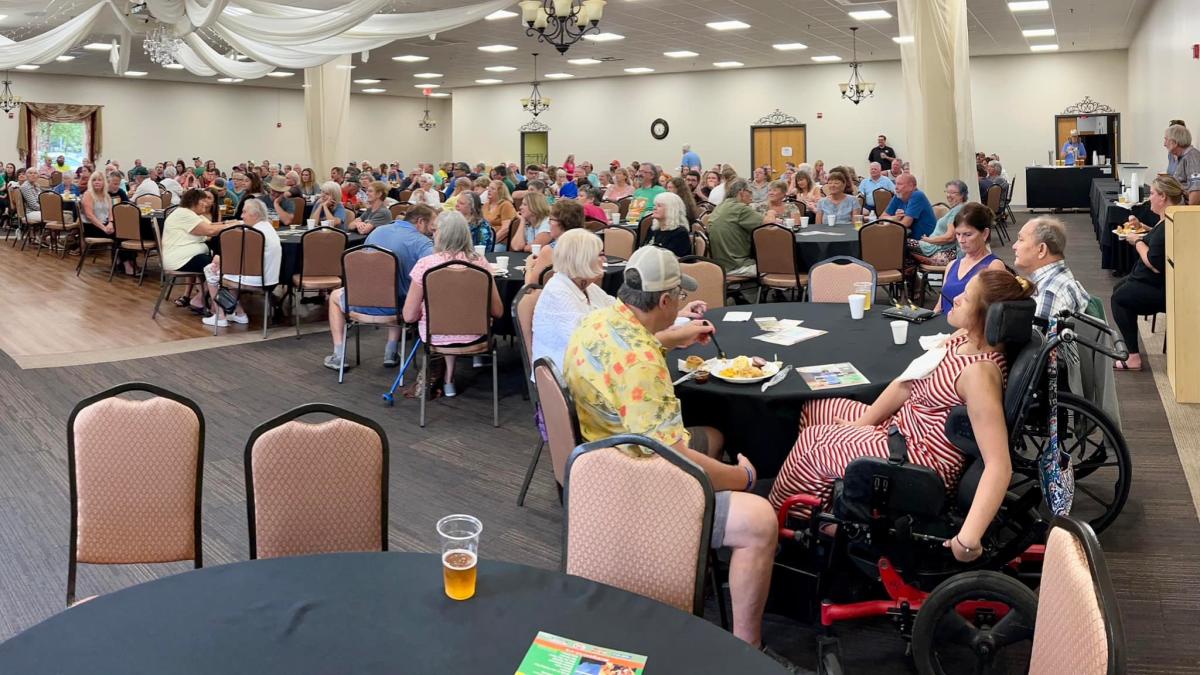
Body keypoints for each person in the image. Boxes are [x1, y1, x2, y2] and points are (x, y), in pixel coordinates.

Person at [563, 246, 794, 664]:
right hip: (639, 486)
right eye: (679, 299)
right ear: (665, 301)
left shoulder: (598, 321)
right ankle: (749, 652)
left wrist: (675, 336)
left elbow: (632, 345)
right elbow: (675, 459)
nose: (683, 306)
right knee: (759, 518)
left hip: (595, 468)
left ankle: (696, 566)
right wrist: (739, 478)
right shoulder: (643, 364)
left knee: (713, 435)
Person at [770, 269, 1035, 565]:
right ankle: (830, 506)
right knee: (817, 407)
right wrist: (861, 425)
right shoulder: (964, 339)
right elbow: (906, 382)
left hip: (920, 459)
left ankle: (783, 526)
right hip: (903, 429)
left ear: (987, 318)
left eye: (967, 297)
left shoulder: (979, 375)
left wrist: (968, 538)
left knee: (813, 442)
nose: (956, 298)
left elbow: (999, 465)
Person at [323, 204, 437, 370]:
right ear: (420, 221)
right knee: (403, 291)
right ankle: (390, 352)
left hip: (360, 303)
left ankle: (338, 355)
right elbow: (433, 272)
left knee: (335, 296)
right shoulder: (424, 244)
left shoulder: (377, 232)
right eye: (432, 225)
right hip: (397, 309)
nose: (433, 229)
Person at [402, 211, 503, 398]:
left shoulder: (426, 265)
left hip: (435, 337)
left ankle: (448, 380)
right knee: (456, 318)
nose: (433, 234)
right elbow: (497, 311)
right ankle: (448, 380)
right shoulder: (481, 264)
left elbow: (409, 315)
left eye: (435, 230)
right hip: (476, 336)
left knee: (445, 319)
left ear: (441, 234)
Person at [1110, 176, 1184, 371]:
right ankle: (1131, 348)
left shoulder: (1169, 222)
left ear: (1163, 197)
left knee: (1119, 298)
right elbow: (1158, 238)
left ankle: (1133, 358)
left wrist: (1137, 241)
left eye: (1152, 194)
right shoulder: (1170, 217)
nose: (1149, 198)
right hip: (1156, 281)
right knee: (1119, 287)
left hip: (1161, 287)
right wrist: (1143, 229)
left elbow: (1154, 263)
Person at [202, 198, 282, 327]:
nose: (241, 215)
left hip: (254, 279)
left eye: (244, 212)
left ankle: (220, 315)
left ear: (255, 215)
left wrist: (220, 259)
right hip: (270, 279)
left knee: (211, 269)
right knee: (227, 274)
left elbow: (240, 259)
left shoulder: (253, 234)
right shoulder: (267, 228)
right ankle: (239, 313)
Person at [162, 189, 238, 313]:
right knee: (220, 266)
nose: (206, 204)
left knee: (218, 264)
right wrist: (233, 225)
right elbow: (209, 231)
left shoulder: (191, 214)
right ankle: (216, 306)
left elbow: (211, 226)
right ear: (194, 202)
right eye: (203, 200)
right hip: (180, 259)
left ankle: (201, 299)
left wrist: (227, 222)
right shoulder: (184, 214)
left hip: (187, 256)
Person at [1011, 216, 1089, 324]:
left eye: (1021, 239)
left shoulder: (1049, 293)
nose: (1014, 246)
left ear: (1042, 250)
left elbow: (1039, 340)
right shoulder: (1060, 277)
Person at [938, 203, 1007, 313]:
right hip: (944, 325)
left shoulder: (993, 266)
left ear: (984, 234)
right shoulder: (952, 265)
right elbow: (939, 306)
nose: (961, 240)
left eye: (968, 234)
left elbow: (994, 314)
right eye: (958, 234)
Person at [524, 199, 585, 284]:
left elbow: (531, 286)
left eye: (551, 219)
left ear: (562, 222)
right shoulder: (590, 245)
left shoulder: (550, 250)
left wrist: (529, 267)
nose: (548, 223)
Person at [707, 179, 761, 276]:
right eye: (750, 192)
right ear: (741, 192)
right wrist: (771, 213)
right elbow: (768, 225)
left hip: (719, 265)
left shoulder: (720, 206)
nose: (752, 197)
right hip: (737, 266)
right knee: (776, 265)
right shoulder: (740, 208)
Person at [909, 180, 968, 266]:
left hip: (935, 249)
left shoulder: (957, 210)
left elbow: (950, 237)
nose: (948, 195)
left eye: (953, 193)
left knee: (901, 242)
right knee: (902, 248)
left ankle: (906, 274)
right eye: (947, 192)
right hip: (934, 248)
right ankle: (910, 272)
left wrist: (928, 240)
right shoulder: (959, 208)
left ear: (962, 195)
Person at [884, 173, 938, 240]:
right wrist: (895, 217)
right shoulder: (898, 195)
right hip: (907, 237)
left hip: (925, 240)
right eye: (896, 183)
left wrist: (891, 221)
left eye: (900, 184)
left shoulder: (917, 195)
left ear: (911, 186)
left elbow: (905, 224)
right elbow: (882, 218)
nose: (896, 187)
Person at [643, 192, 692, 257]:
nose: (654, 208)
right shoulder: (653, 229)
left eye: (659, 206)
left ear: (671, 209)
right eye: (654, 205)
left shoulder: (680, 233)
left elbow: (674, 260)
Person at [1164, 123, 1200, 204]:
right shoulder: (1182, 157)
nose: (1164, 144)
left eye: (1166, 139)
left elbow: (1196, 192)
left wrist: (1186, 215)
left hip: (1185, 210)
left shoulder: (1192, 158)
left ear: (1175, 142)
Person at [482, 180, 518, 251]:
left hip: (500, 241)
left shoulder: (505, 205)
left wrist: (491, 242)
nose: (489, 190)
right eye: (488, 188)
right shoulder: (485, 205)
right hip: (486, 238)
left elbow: (505, 229)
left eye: (492, 189)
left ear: (500, 192)